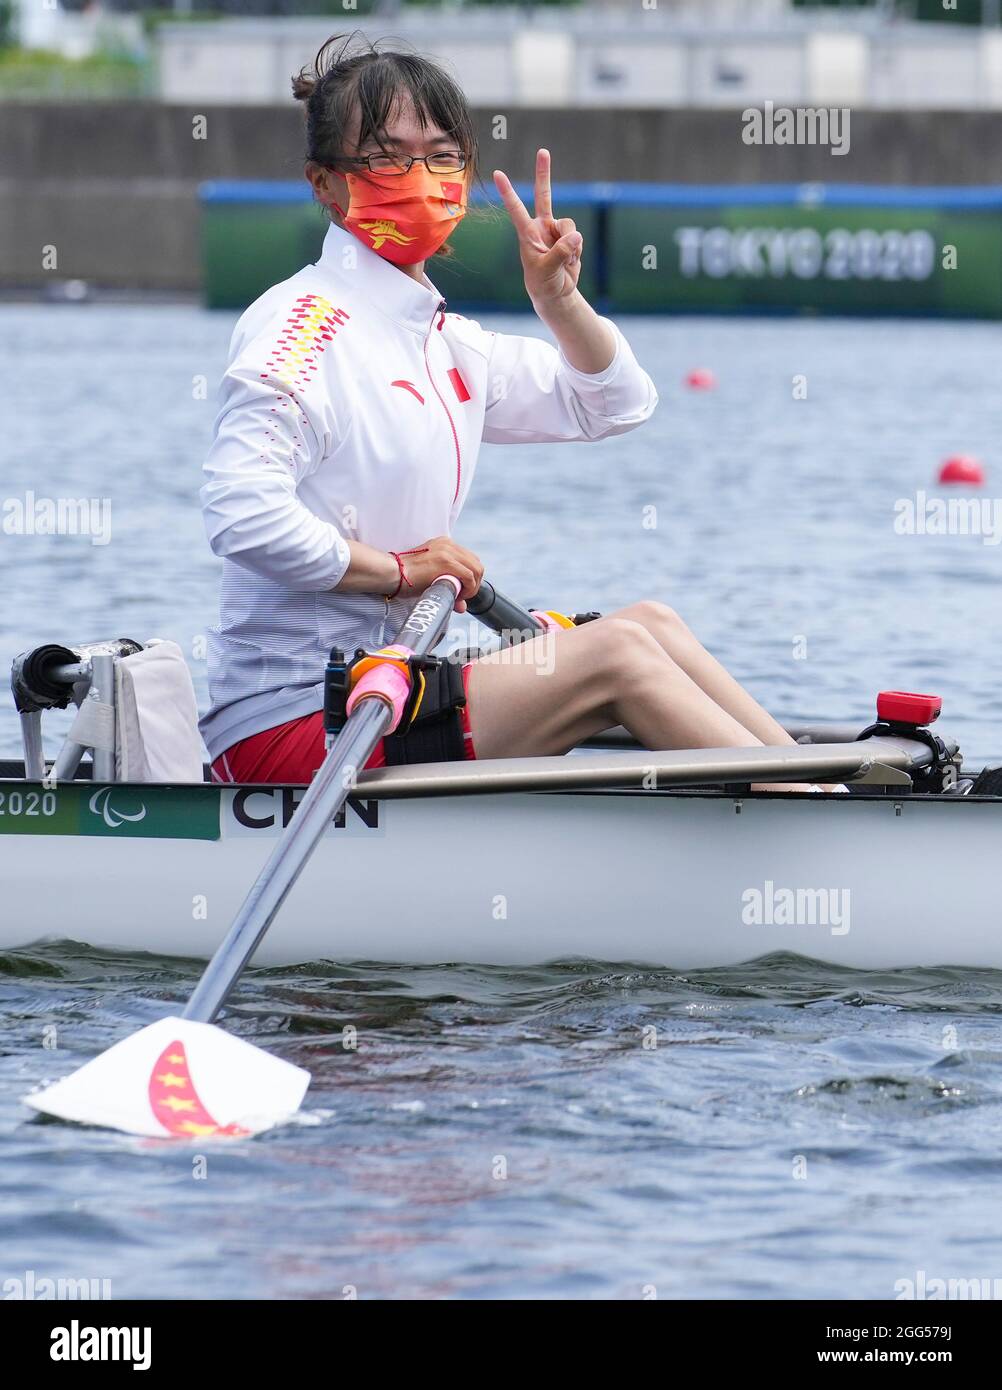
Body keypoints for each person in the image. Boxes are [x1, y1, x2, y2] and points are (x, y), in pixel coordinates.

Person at [201, 33, 825, 792]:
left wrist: (558, 303)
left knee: (648, 625)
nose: (421, 178)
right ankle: (816, 826)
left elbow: (617, 404)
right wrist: (399, 572)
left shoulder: (441, 341)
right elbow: (243, 517)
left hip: (389, 685)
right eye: (388, 158)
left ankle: (824, 797)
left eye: (440, 155)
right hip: (295, 724)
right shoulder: (301, 327)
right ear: (327, 185)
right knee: (617, 656)